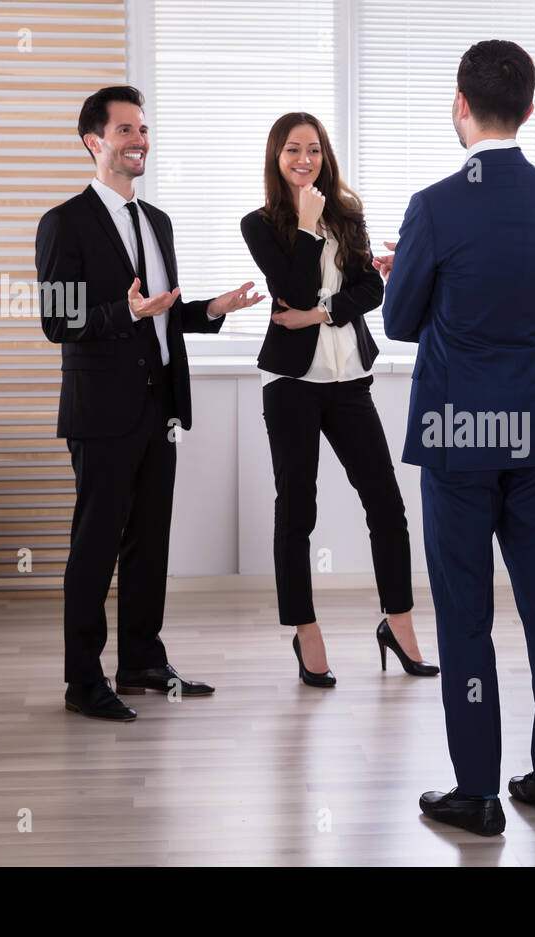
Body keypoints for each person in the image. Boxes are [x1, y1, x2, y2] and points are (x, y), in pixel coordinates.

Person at [380, 40, 535, 837]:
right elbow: (525, 303)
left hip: (459, 434)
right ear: (529, 110)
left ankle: (478, 791)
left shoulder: (435, 205)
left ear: (459, 104)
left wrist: (415, 276)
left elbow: (401, 321)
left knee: (467, 617)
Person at [37, 85, 262, 721]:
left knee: (148, 540)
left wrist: (212, 310)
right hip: (102, 411)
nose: (140, 141)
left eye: (144, 130)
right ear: (94, 142)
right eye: (127, 130)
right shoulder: (65, 223)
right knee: (95, 545)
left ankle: (140, 661)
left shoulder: (156, 221)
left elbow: (162, 317)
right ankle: (83, 680)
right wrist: (123, 311)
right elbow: (57, 319)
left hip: (160, 405)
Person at [240, 112, 436, 688]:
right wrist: (303, 226)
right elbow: (292, 291)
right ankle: (306, 631)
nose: (305, 159)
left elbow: (372, 288)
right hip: (290, 384)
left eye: (315, 149)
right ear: (276, 156)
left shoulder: (347, 213)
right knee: (298, 508)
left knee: (385, 502)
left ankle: (398, 626)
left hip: (348, 376)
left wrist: (323, 313)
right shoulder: (259, 224)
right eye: (293, 149)